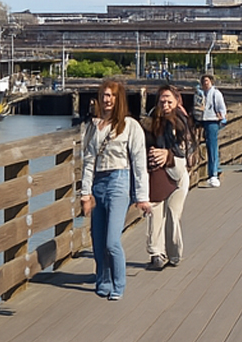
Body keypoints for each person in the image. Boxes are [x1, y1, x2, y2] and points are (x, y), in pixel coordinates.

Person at [78, 78, 150, 300]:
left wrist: (142, 196)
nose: (107, 99)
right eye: (104, 95)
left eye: (111, 96)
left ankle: (119, 283)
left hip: (119, 179)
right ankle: (103, 279)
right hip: (98, 181)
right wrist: (85, 193)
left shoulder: (130, 126)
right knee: (98, 240)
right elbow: (88, 161)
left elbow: (139, 162)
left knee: (112, 241)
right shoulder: (93, 126)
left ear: (118, 99)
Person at [144, 85, 193, 270]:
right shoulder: (151, 121)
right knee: (155, 210)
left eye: (169, 101)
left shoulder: (182, 121)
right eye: (162, 101)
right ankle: (156, 253)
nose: (165, 104)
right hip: (157, 171)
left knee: (173, 213)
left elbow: (187, 148)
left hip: (177, 172)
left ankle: (174, 254)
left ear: (176, 101)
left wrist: (168, 154)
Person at [197, 73, 227, 187]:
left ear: (211, 82)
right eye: (203, 81)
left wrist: (222, 118)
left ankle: (213, 174)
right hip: (201, 120)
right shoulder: (200, 93)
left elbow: (221, 107)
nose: (205, 83)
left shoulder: (216, 93)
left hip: (212, 120)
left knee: (212, 146)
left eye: (207, 81)